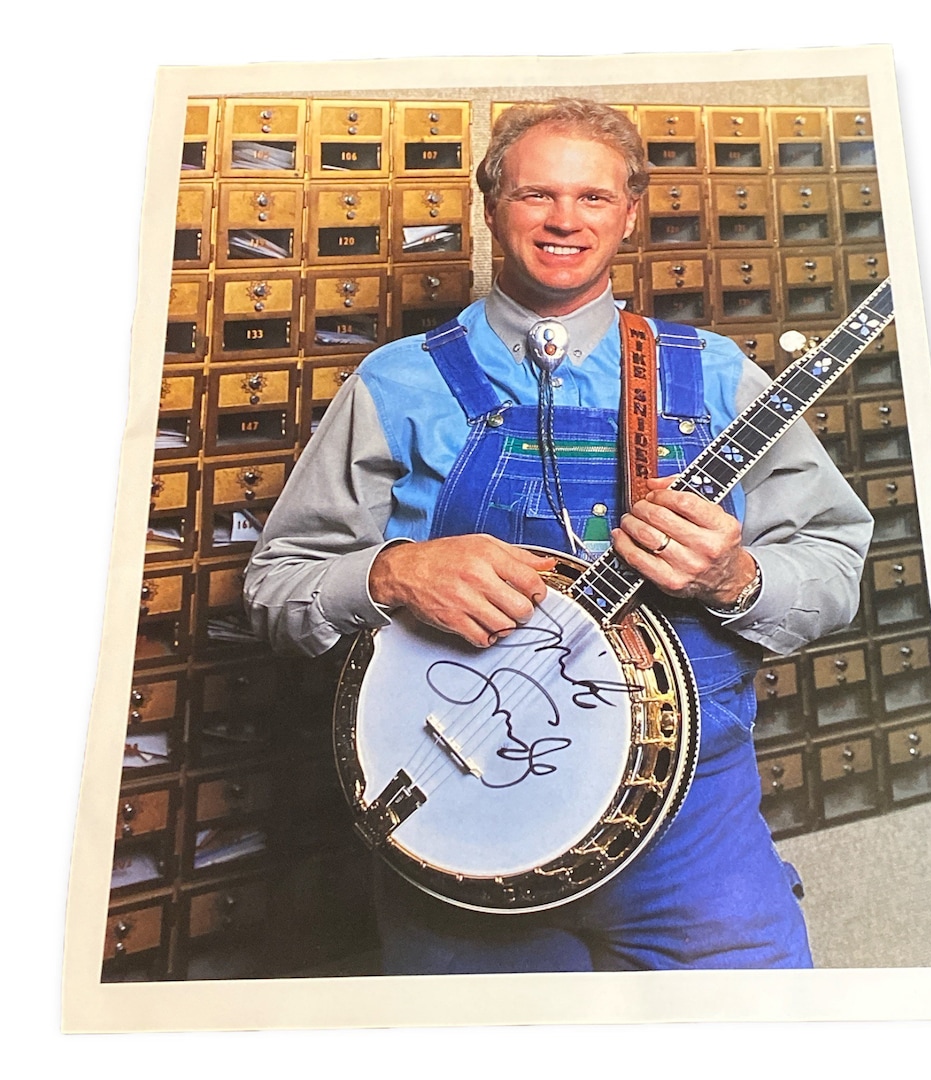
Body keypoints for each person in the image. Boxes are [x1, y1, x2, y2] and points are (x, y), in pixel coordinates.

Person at [244, 98, 873, 973]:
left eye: (594, 197)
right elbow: (278, 584)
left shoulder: (718, 375)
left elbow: (835, 563)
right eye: (538, 194)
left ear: (628, 213)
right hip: (463, 828)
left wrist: (735, 576)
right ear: (491, 207)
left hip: (694, 832)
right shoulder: (397, 385)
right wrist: (390, 574)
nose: (566, 221)